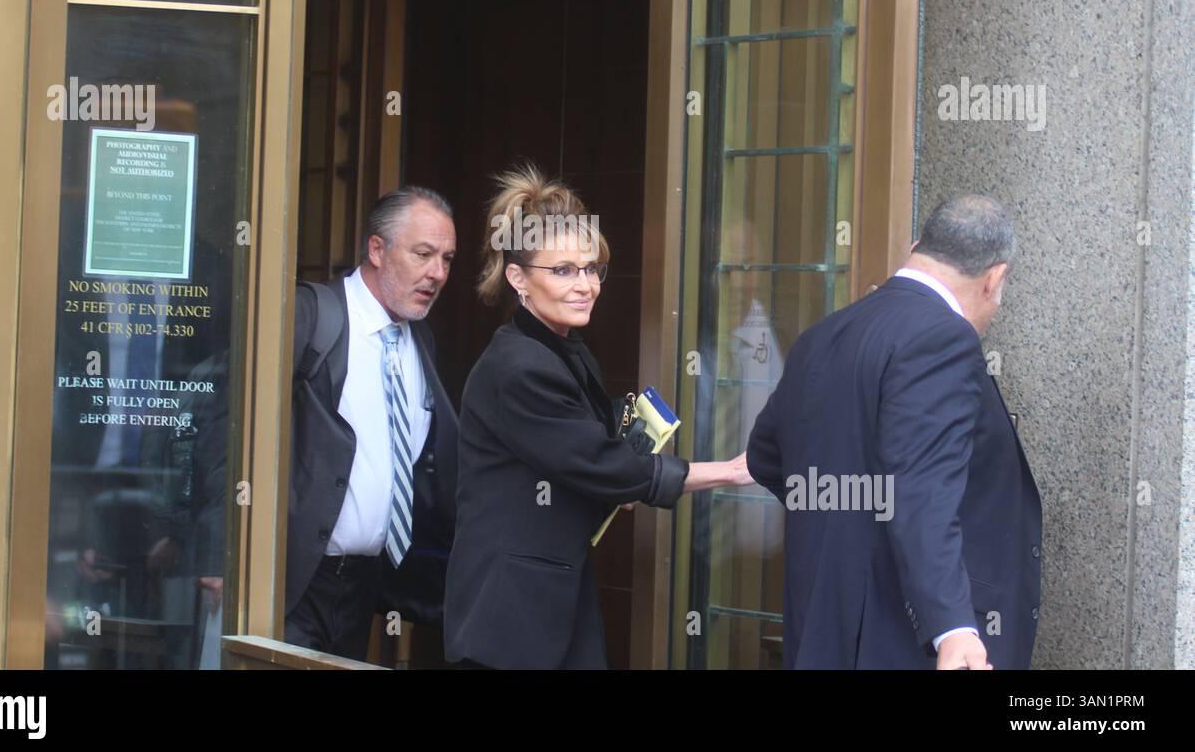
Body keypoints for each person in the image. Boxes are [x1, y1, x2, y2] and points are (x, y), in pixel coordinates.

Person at [444, 165, 753, 669]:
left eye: (591, 269)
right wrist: (729, 472)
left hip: (548, 598)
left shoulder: (562, 350)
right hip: (510, 621)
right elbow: (600, 461)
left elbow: (582, 459)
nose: (585, 284)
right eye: (563, 270)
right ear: (518, 278)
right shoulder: (521, 365)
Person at [747, 193, 1042, 669]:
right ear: (995, 278)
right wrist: (952, 628)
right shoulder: (945, 338)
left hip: (823, 629)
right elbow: (921, 491)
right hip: (904, 638)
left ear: (915, 246)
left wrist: (851, 512)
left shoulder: (823, 335)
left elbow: (765, 457)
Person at [285, 187, 460, 659]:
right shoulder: (310, 316)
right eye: (423, 254)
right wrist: (224, 554)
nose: (437, 273)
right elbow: (234, 425)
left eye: (446, 258)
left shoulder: (420, 340)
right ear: (377, 250)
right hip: (291, 579)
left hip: (364, 586)